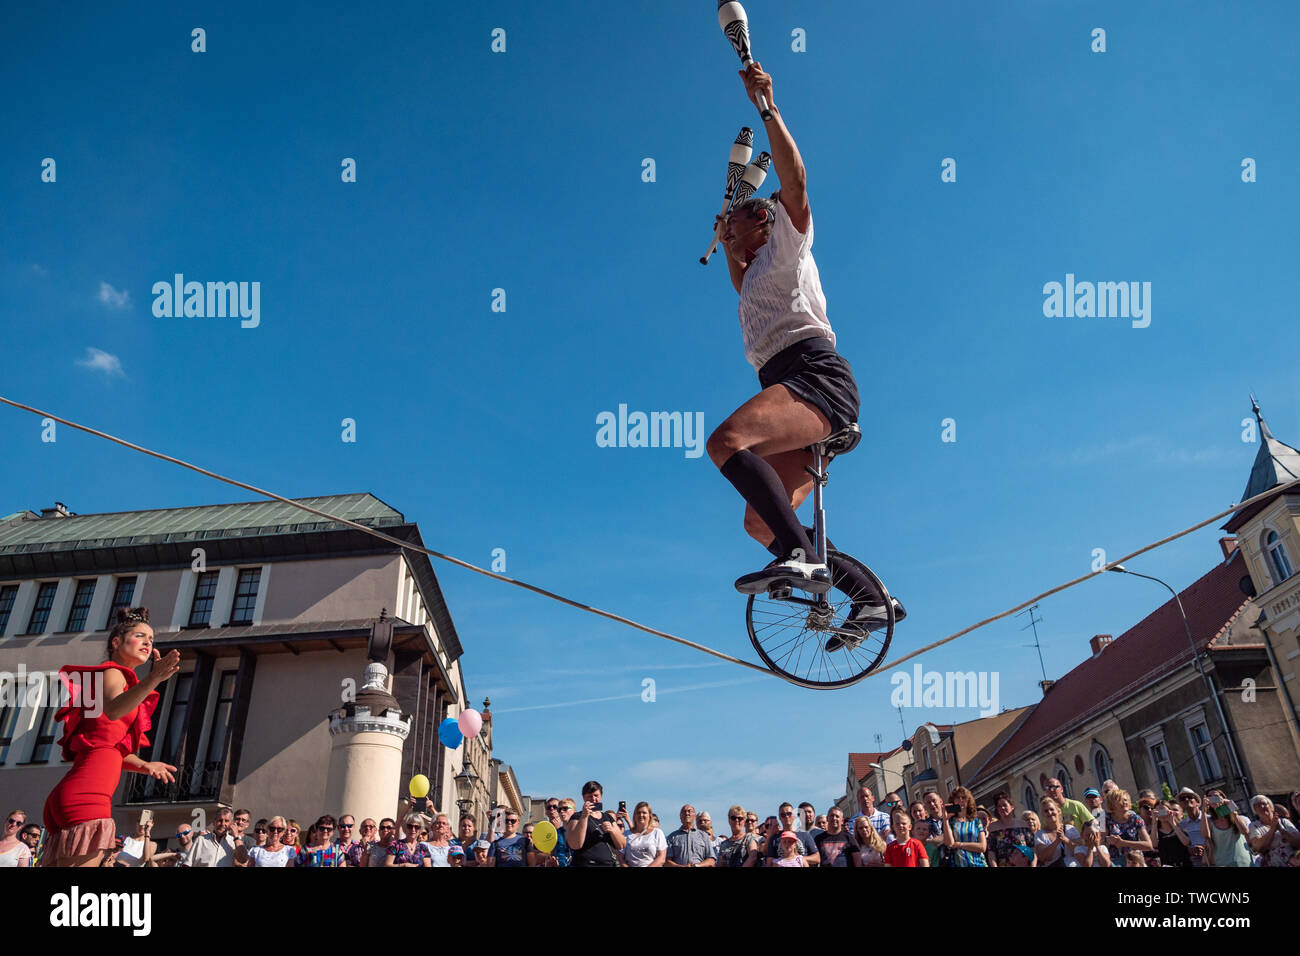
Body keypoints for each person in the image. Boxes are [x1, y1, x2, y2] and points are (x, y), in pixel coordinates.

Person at [708, 60, 904, 644]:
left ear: (762, 220)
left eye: (742, 211)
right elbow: (738, 271)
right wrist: (726, 241)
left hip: (815, 378)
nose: (733, 217)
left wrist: (767, 108)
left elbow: (793, 180)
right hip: (790, 383)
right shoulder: (749, 277)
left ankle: (802, 557)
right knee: (758, 520)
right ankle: (870, 600)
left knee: (725, 443)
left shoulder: (788, 242)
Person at [40, 607, 180, 866]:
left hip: (77, 789)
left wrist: (144, 765)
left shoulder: (122, 682)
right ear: (116, 642)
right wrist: (154, 678)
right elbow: (115, 710)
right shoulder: (113, 672)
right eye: (140, 636)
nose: (148, 643)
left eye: (151, 639)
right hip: (87, 796)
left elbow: (108, 746)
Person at [565, 781, 624, 867]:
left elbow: (622, 845)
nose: (593, 799)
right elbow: (575, 844)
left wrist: (613, 831)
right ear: (583, 797)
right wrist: (584, 816)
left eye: (596, 795)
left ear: (601, 796)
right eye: (589, 796)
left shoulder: (608, 817)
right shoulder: (576, 817)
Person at [1102, 788, 1153, 867]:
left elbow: (1149, 845)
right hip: (1116, 862)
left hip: (1135, 861)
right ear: (1112, 804)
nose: (1124, 802)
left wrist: (1123, 843)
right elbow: (1101, 844)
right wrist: (1108, 841)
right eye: (1120, 800)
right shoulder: (1106, 819)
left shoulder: (1136, 819)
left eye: (1125, 800)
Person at [181, 807, 247, 867]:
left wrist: (236, 836)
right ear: (214, 822)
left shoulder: (233, 842)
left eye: (226, 821)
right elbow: (187, 864)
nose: (223, 824)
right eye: (220, 820)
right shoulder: (201, 840)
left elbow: (243, 859)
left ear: (231, 823)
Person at [1201, 789, 1250, 867]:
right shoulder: (1209, 821)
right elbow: (1206, 836)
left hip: (1243, 862)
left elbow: (1245, 831)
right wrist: (1203, 811)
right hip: (1221, 863)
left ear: (1223, 798)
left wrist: (1231, 806)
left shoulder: (1237, 817)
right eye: (1210, 797)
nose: (1213, 798)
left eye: (1216, 796)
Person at [1248, 794, 1300, 867]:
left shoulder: (1284, 822)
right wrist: (1272, 829)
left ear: (1271, 807)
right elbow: (1259, 847)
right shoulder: (1254, 826)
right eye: (1258, 806)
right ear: (1255, 810)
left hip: (1294, 857)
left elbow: (1298, 842)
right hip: (1274, 862)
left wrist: (1281, 829)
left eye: (1264, 804)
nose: (1262, 807)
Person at [941, 787, 987, 867]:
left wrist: (960, 844)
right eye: (957, 798)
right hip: (959, 864)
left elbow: (982, 847)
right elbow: (950, 844)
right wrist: (945, 819)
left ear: (968, 800)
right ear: (953, 801)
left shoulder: (976, 822)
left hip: (979, 864)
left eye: (963, 798)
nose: (961, 800)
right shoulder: (951, 822)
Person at [986, 792, 1034, 868]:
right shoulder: (993, 828)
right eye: (999, 806)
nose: (1002, 808)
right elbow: (991, 853)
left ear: (1012, 807)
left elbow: (1032, 848)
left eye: (1005, 805)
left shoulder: (1023, 825)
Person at [1034, 796, 1079, 868]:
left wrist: (1065, 839)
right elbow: (1043, 857)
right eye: (1046, 811)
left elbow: (1080, 850)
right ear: (1043, 815)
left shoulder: (1070, 829)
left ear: (1058, 811)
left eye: (1052, 809)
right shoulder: (1040, 835)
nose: (1049, 812)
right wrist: (1057, 842)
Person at [622, 802, 667, 867]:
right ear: (634, 815)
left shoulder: (657, 833)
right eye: (638, 813)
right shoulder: (626, 834)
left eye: (644, 813)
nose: (641, 815)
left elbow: (661, 858)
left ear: (649, 815)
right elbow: (620, 858)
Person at [1155, 800, 1192, 868]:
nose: (1162, 815)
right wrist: (1154, 822)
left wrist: (1172, 822)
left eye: (1164, 811)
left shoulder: (1180, 827)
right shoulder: (1155, 831)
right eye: (1159, 812)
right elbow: (1154, 844)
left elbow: (1186, 842)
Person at [1176, 788, 1209, 866]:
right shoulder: (1181, 825)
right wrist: (1189, 850)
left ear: (1197, 802)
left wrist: (1206, 848)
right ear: (1181, 804)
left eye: (1190, 797)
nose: (1186, 799)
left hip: (1213, 860)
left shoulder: (1210, 819)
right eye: (1182, 798)